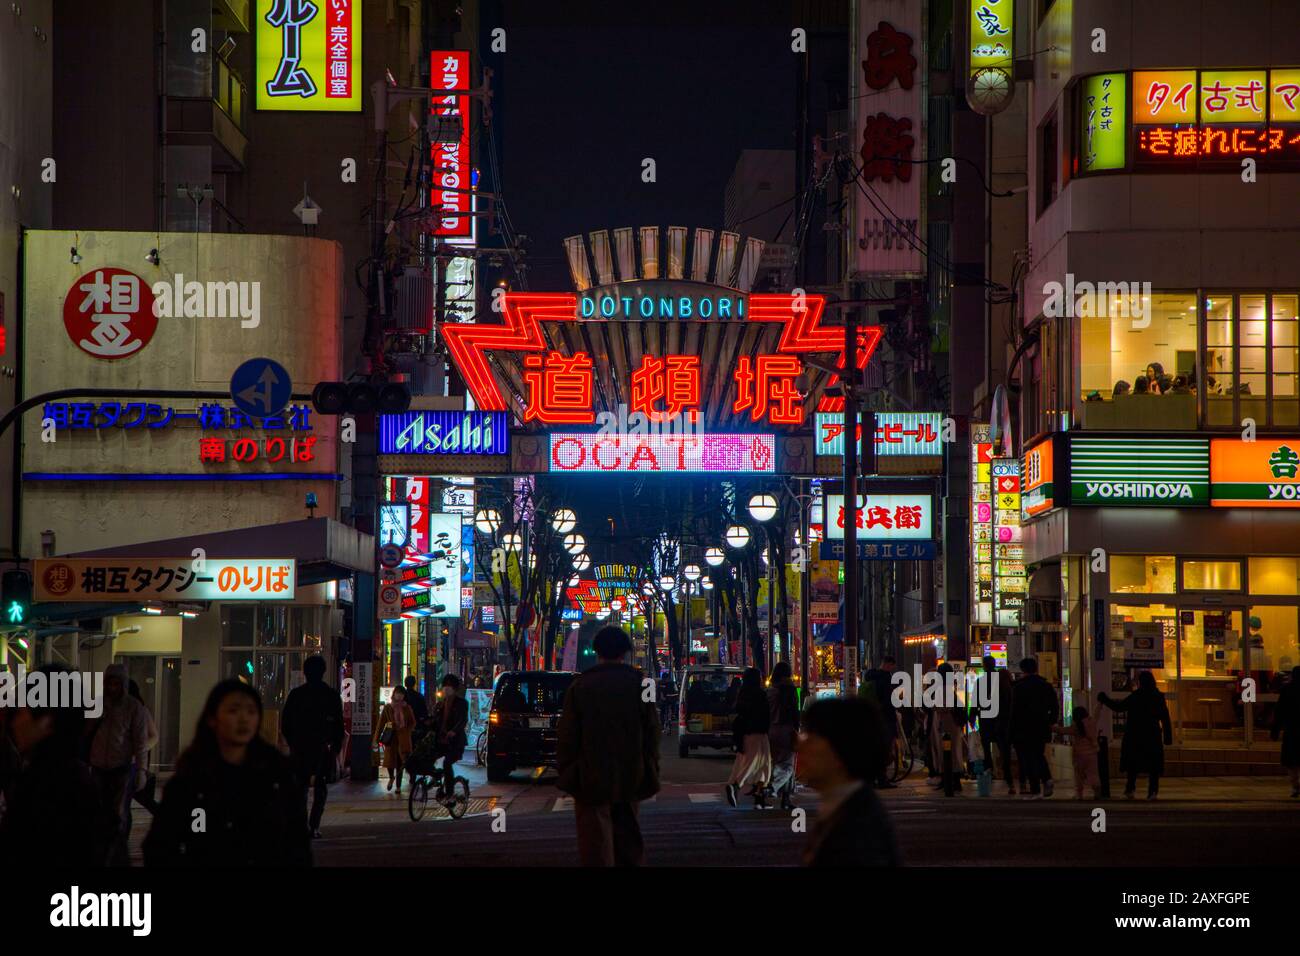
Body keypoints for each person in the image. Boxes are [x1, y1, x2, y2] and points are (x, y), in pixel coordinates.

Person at [143, 679, 311, 866]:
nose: (243, 718)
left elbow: (298, 843)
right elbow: (160, 845)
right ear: (212, 718)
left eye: (251, 711)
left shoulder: (277, 776)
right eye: (233, 710)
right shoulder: (190, 779)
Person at [556, 626, 660, 866]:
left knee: (596, 844)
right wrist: (650, 765)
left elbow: (567, 734)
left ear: (596, 651)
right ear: (625, 652)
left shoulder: (581, 686)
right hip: (631, 772)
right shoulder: (642, 685)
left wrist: (569, 771)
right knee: (628, 841)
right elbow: (652, 730)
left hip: (591, 775)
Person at [0, 665, 115, 866]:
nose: (15, 719)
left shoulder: (46, 784)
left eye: (22, 709)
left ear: (46, 720)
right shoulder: (69, 776)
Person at [797, 697, 900, 867]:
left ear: (839, 750)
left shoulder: (859, 831)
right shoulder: (844, 808)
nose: (800, 746)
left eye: (810, 738)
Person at [88, 663, 154, 866]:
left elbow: (141, 741)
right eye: (110, 683)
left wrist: (141, 770)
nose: (113, 688)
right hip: (98, 765)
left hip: (122, 767)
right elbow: (86, 733)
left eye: (117, 683)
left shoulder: (134, 708)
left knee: (119, 813)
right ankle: (103, 851)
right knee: (99, 811)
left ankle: (117, 853)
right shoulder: (98, 706)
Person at [281, 654, 345, 838]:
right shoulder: (331, 695)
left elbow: (286, 723)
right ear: (324, 672)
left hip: (300, 748)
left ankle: (301, 825)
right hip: (322, 748)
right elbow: (338, 725)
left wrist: (292, 743)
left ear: (305, 672)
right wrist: (335, 748)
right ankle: (313, 825)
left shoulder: (296, 695)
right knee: (320, 787)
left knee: (300, 788)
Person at [1098, 670, 1172, 799]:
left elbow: (1119, 707)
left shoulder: (1136, 696)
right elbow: (1165, 718)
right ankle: (1152, 791)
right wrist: (1167, 737)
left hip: (1135, 734)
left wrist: (1105, 699)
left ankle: (1130, 788)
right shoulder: (1158, 697)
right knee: (1153, 765)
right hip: (1152, 734)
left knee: (1133, 764)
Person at [1010, 657, 1059, 799]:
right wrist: (1050, 721)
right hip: (1041, 726)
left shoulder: (1019, 687)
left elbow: (1014, 711)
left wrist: (1011, 731)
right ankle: (1046, 778)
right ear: (1036, 668)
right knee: (1038, 754)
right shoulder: (1046, 685)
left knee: (1027, 758)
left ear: (1022, 670)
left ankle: (1036, 789)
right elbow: (1055, 707)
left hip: (1023, 728)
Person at [726, 667, 773, 808]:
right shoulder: (759, 694)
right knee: (756, 764)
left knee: (756, 765)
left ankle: (759, 799)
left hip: (745, 734)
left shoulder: (742, 694)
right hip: (758, 733)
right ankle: (735, 785)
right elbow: (765, 714)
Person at [927, 662, 967, 791]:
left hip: (944, 723)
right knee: (954, 751)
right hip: (953, 724)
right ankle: (954, 780)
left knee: (944, 751)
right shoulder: (951, 687)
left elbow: (939, 707)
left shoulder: (941, 688)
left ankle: (948, 780)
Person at [766, 661, 800, 809]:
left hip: (771, 730)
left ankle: (786, 799)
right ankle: (773, 787)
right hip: (786, 729)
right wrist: (797, 728)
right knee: (788, 764)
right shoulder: (790, 690)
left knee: (778, 762)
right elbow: (794, 711)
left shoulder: (770, 690)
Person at [860, 656, 899, 788]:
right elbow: (889, 701)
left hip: (871, 718)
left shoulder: (870, 676)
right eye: (892, 666)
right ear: (888, 664)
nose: (892, 669)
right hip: (885, 718)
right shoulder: (885, 678)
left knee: (873, 749)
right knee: (885, 750)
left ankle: (871, 779)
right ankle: (882, 779)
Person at [979, 655, 1015, 793]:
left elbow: (977, 701)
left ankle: (989, 774)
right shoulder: (1004, 681)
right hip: (1002, 722)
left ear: (984, 665)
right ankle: (1008, 779)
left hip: (986, 720)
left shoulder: (982, 681)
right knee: (1004, 751)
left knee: (986, 750)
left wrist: (971, 716)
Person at [431, 674, 469, 799]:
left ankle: (450, 793)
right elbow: (435, 720)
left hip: (456, 742)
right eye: (445, 686)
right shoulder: (441, 704)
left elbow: (463, 720)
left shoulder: (462, 703)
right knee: (428, 756)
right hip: (442, 741)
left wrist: (454, 731)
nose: (446, 689)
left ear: (454, 688)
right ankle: (436, 778)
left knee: (447, 763)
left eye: (449, 686)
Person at [374, 686, 415, 793]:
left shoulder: (407, 708)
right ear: (394, 694)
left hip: (403, 739)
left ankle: (398, 786)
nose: (399, 695)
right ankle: (391, 777)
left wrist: (407, 730)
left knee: (401, 763)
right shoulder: (388, 708)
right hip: (391, 739)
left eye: (401, 694)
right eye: (398, 693)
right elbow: (380, 724)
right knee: (390, 762)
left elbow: (412, 722)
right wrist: (376, 739)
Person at [1057, 705, 1102, 800]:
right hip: (1092, 754)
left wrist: (1051, 727)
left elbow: (1063, 730)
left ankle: (1079, 794)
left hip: (1079, 755)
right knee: (1093, 773)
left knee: (1079, 775)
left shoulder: (1076, 727)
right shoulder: (1092, 722)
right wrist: (1100, 704)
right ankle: (1097, 790)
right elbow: (1097, 714)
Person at [1271, 666, 1300, 798]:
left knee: (1291, 761)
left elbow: (1279, 712)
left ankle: (1295, 786)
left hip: (1292, 730)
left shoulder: (1287, 690)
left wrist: (1275, 730)